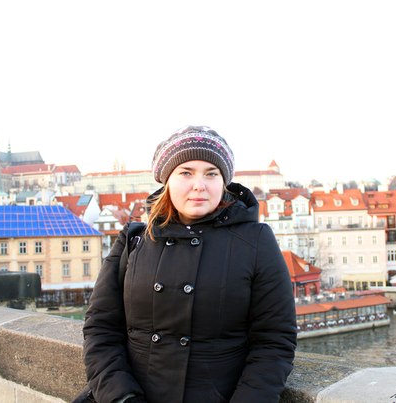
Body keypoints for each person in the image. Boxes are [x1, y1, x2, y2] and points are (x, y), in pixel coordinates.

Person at [82, 126, 297, 403]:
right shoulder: (133, 240)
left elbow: (274, 340)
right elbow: (101, 328)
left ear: (224, 182)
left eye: (211, 173)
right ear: (167, 180)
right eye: (186, 172)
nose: (199, 185)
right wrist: (121, 397)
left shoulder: (255, 241)